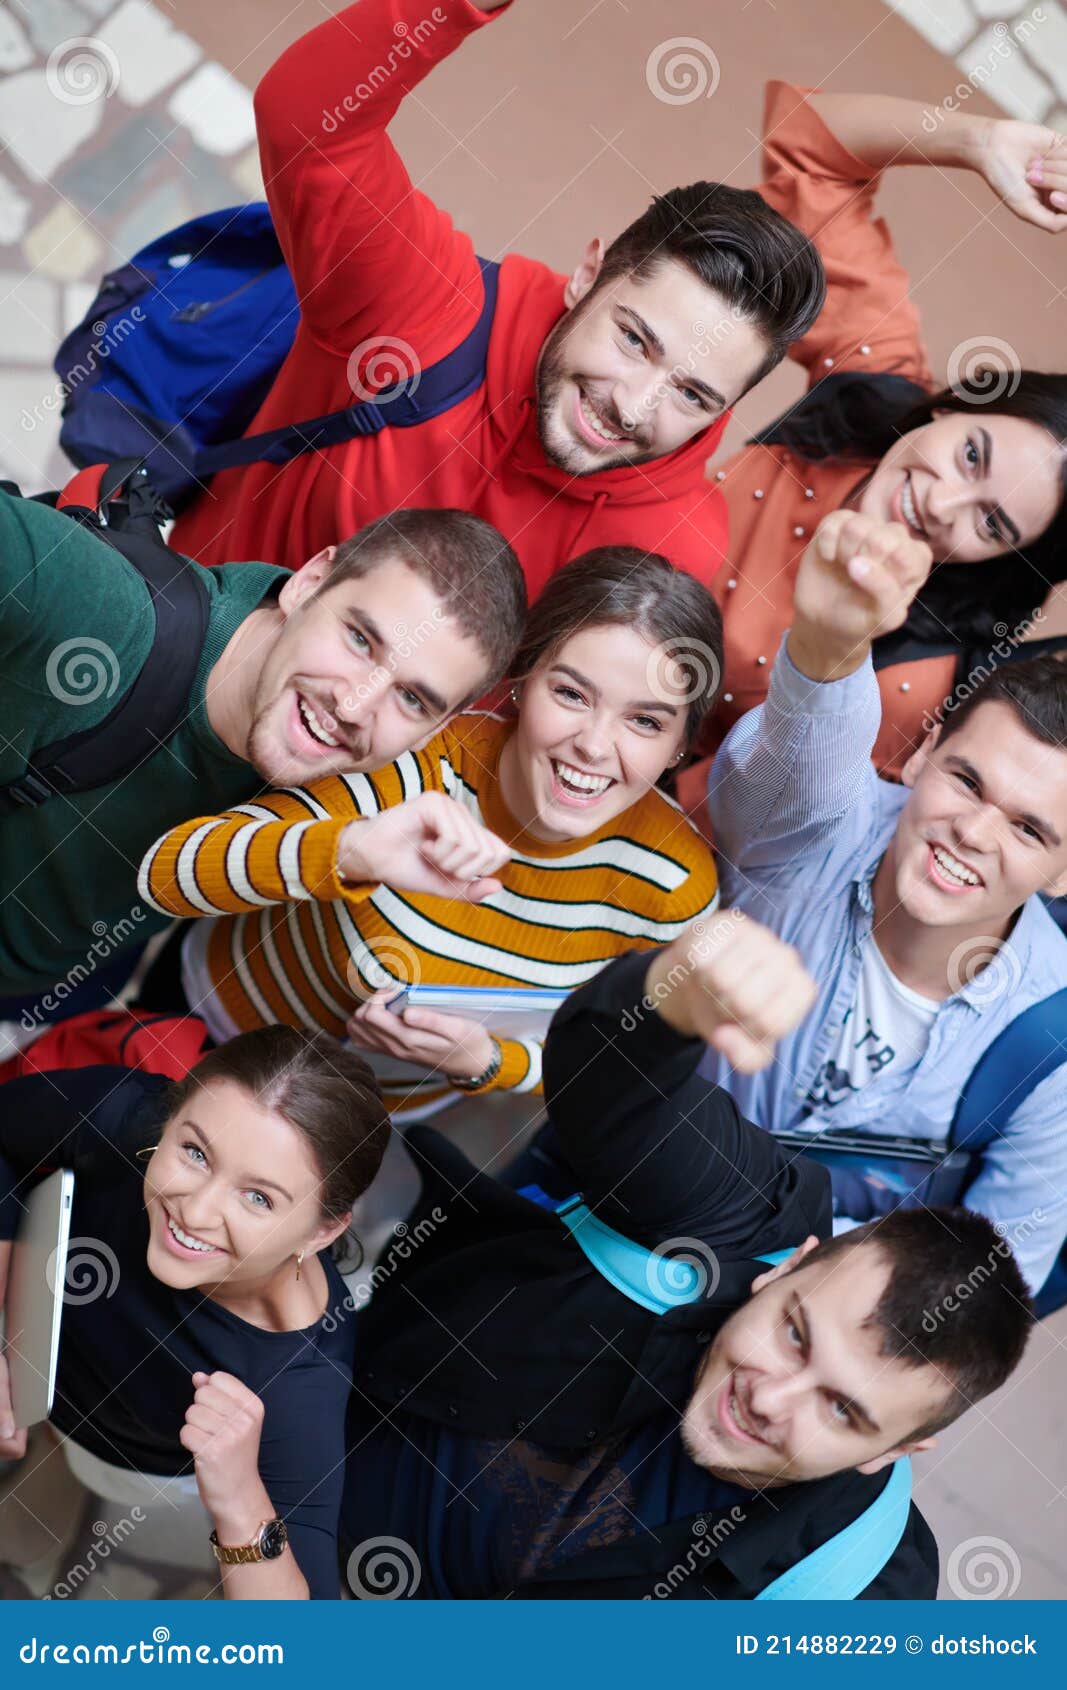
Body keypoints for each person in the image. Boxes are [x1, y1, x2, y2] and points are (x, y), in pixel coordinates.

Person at [338, 912, 1031, 1599]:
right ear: (787, 1267)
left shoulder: (859, 1592)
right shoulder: (742, 1213)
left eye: (842, 1410)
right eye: (794, 1335)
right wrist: (671, 998)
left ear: (894, 1452)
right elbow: (614, 1085)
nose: (767, 1398)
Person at [169, 0, 825, 597]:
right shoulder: (427, 305)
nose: (631, 405)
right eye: (633, 340)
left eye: (692, 395)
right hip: (166, 677)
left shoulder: (672, 547)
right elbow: (307, 123)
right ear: (586, 275)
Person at [136, 549, 720, 1117]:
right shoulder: (415, 755)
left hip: (356, 1119)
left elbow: (621, 1064)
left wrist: (490, 1063)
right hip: (199, 1025)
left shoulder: (674, 884)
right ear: (522, 680)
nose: (594, 744)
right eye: (570, 694)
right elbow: (167, 874)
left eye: (645, 721)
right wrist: (350, 850)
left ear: (679, 746)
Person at [701, 507, 1067, 1295]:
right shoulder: (820, 825)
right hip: (601, 1197)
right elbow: (805, 752)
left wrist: (822, 1283)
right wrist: (827, 646)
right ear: (922, 752)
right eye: (966, 780)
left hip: (807, 1317)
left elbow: (994, 1276)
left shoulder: (1053, 1039)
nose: (971, 832)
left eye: (1029, 830)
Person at [679, 80, 1067, 806]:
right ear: (948, 411)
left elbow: (756, 828)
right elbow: (808, 143)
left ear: (1003, 562)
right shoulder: (881, 381)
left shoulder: (918, 675)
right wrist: (979, 141)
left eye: (990, 523)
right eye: (971, 454)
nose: (940, 502)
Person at [0, 495, 524, 1017]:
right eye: (361, 640)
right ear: (310, 583)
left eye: (412, 698)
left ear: (434, 729)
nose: (352, 704)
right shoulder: (97, 608)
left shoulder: (369, 788)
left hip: (66, 980)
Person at [0, 1028, 391, 1599]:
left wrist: (239, 1501)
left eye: (259, 1198)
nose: (196, 1212)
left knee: (57, 1486)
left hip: (118, 1454)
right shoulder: (125, 1117)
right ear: (169, 1117)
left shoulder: (300, 1381)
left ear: (323, 1230)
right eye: (195, 1153)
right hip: (29, 1332)